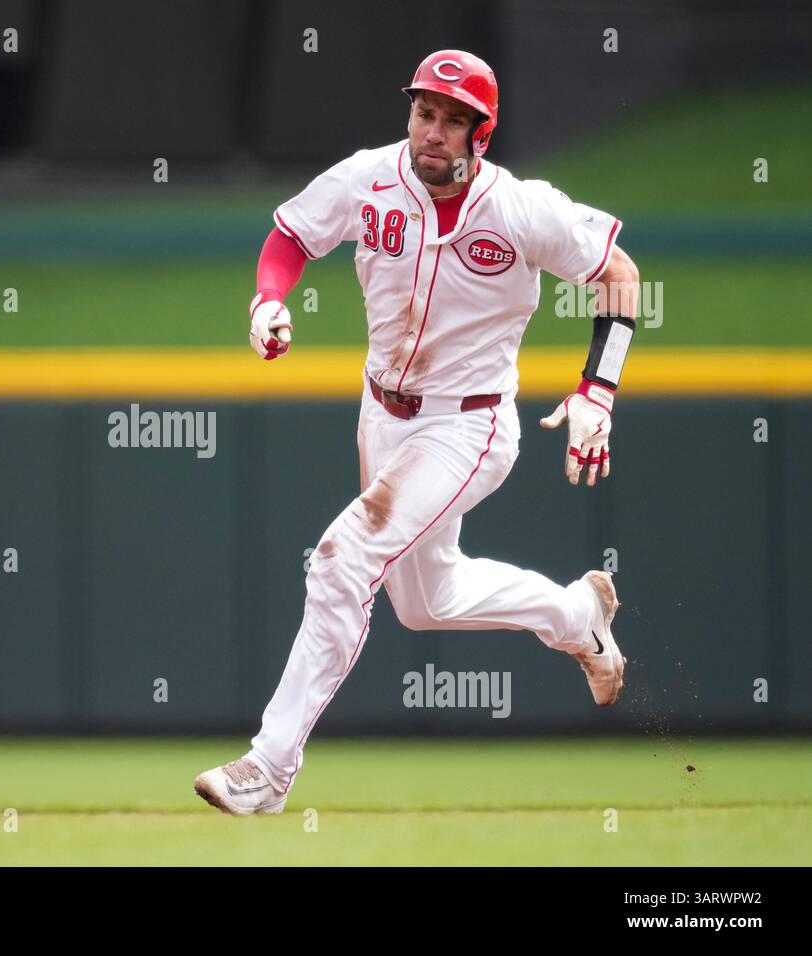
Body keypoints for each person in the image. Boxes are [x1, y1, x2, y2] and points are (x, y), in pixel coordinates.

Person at [194, 49, 639, 815]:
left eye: (453, 120)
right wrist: (267, 300)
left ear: (481, 135)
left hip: (468, 424)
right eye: (424, 111)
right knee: (426, 600)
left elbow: (620, 273)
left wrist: (597, 389)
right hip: (383, 415)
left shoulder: (521, 208)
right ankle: (578, 617)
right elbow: (291, 237)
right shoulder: (370, 177)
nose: (433, 131)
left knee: (340, 560)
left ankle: (268, 767)